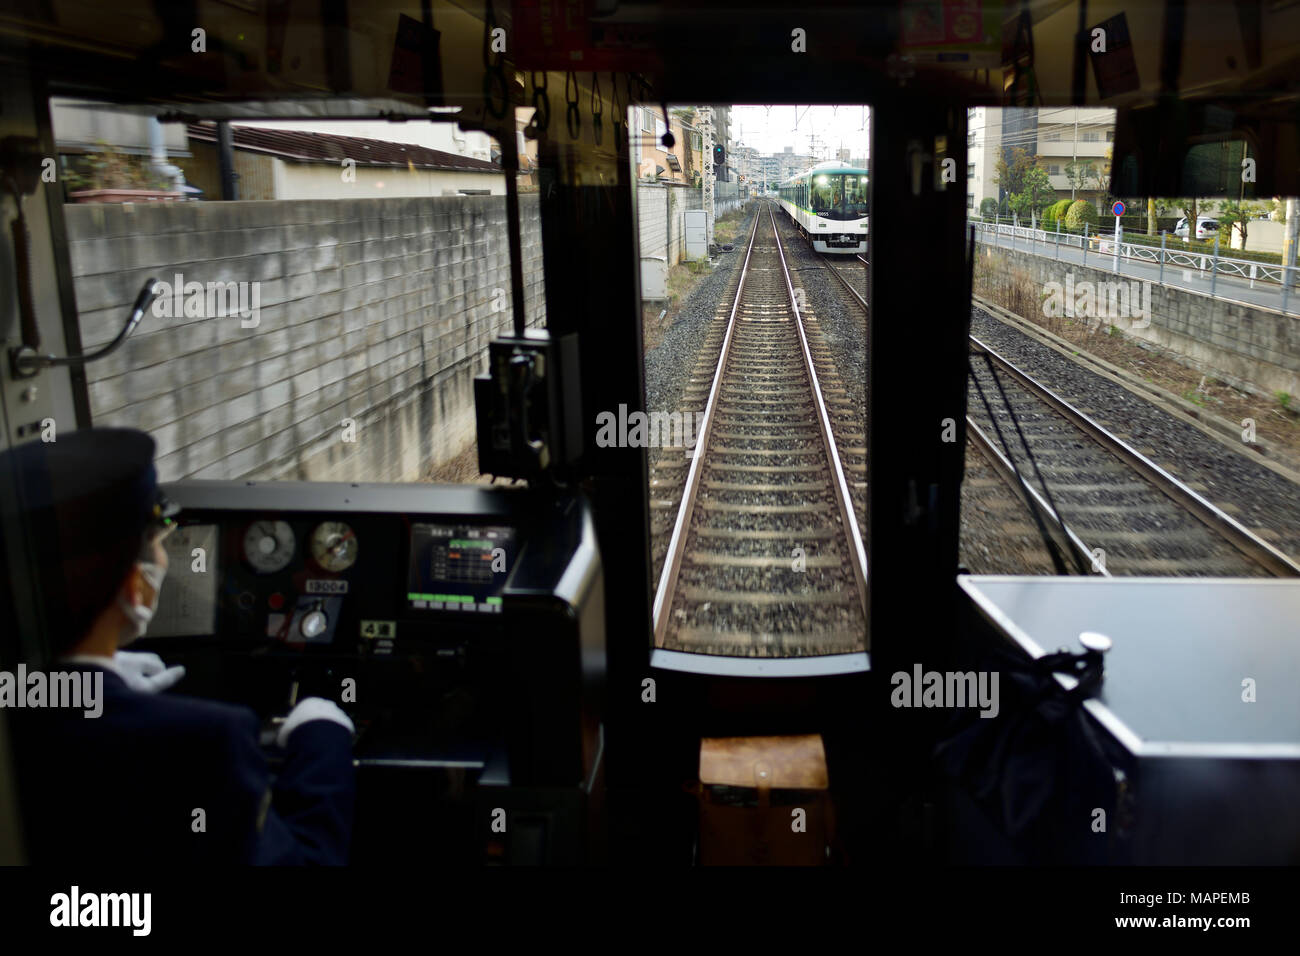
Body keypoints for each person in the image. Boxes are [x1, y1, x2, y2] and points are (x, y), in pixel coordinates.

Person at [3, 428, 355, 865]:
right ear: (136, 588)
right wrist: (322, 738)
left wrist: (85, 687)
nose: (165, 557)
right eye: (158, 542)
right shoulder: (206, 740)